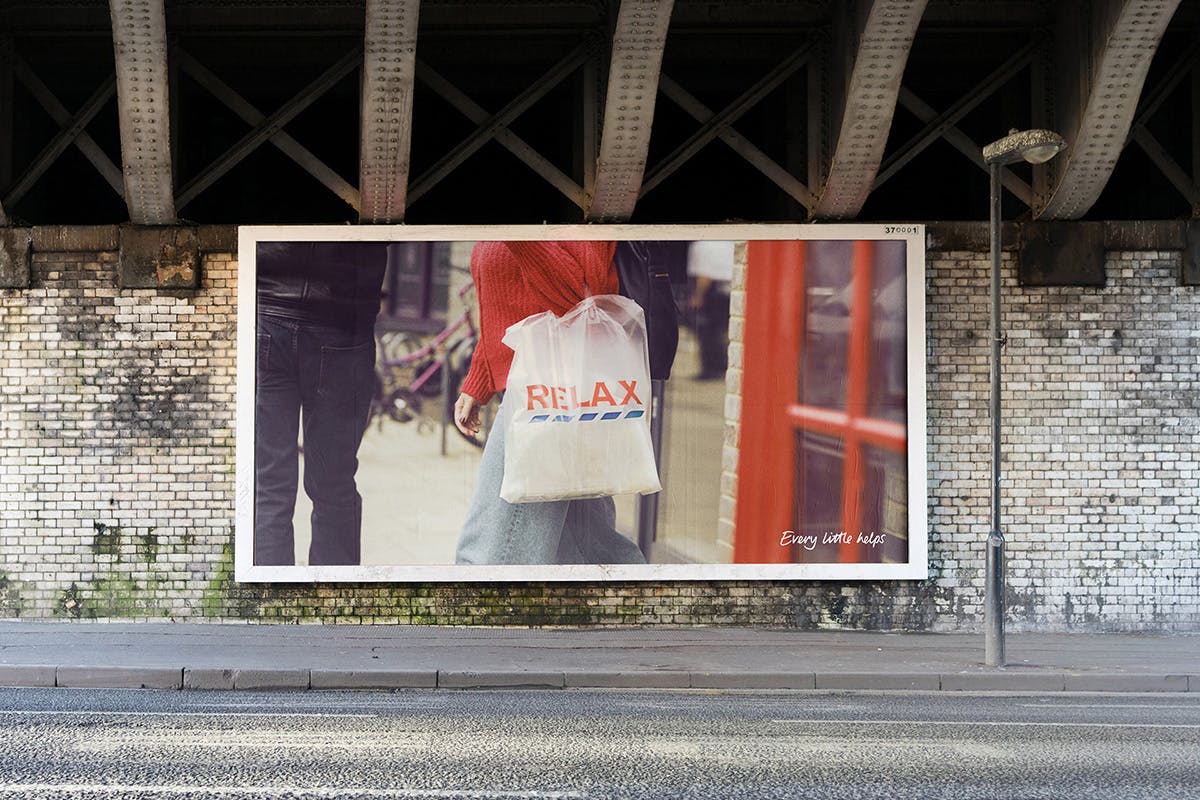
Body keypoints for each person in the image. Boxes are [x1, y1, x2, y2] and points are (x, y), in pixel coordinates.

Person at [452, 241, 648, 566]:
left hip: (553, 396)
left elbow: (579, 297)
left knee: (491, 554)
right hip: (533, 394)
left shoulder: (577, 207)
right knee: (591, 552)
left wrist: (519, 232)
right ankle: (650, 607)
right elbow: (501, 303)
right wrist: (480, 378)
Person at [254, 241, 388, 566]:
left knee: (269, 480)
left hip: (268, 314)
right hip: (342, 318)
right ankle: (332, 602)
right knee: (333, 482)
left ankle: (266, 601)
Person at [686, 239, 734, 380]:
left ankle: (711, 369)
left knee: (707, 333)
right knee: (723, 333)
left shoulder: (702, 246)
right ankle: (723, 366)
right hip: (729, 290)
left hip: (713, 293)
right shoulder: (727, 243)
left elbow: (704, 276)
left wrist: (697, 296)